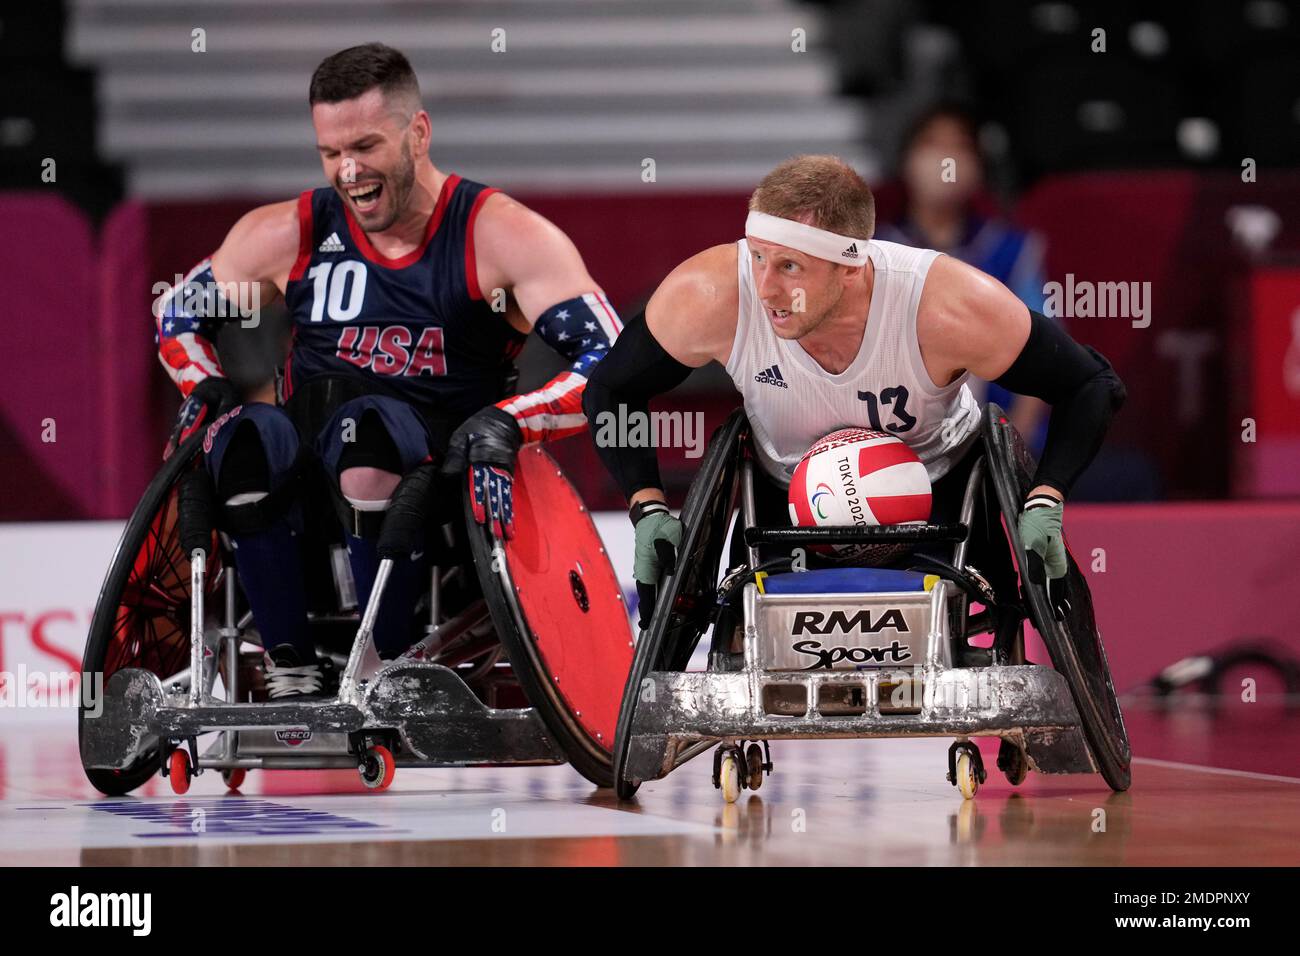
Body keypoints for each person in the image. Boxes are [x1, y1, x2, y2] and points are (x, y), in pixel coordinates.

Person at [153, 44, 621, 697]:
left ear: (418, 133)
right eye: (329, 153)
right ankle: (291, 662)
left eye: (366, 147)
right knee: (243, 436)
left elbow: (610, 363)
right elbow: (177, 317)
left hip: (436, 477)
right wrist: (204, 386)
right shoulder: (289, 233)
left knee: (368, 432)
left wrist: (511, 423)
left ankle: (385, 658)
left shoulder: (502, 235)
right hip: (309, 474)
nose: (348, 171)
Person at [583, 154, 1124, 652]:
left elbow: (1090, 384)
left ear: (849, 265)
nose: (766, 288)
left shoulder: (943, 304)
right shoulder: (712, 294)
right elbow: (611, 390)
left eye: (790, 267)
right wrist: (648, 506)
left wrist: (1046, 499)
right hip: (784, 496)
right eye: (758, 258)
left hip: (940, 494)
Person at [875, 102, 1050, 446]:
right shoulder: (874, 251)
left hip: (1000, 442)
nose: (946, 159)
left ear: (978, 166)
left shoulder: (1012, 252)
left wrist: (1010, 450)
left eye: (959, 147)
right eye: (933, 144)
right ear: (907, 160)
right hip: (895, 442)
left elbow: (1044, 357)